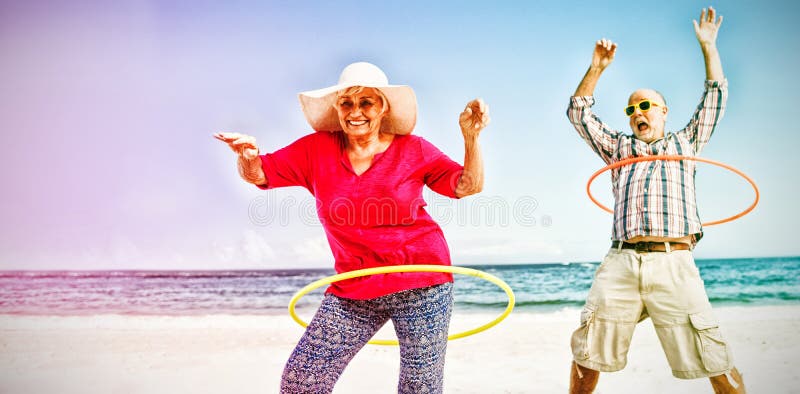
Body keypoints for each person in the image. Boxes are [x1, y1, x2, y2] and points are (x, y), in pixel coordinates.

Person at [215, 61, 489, 393]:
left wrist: (471, 138)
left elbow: (467, 186)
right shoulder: (315, 149)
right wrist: (246, 156)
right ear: (337, 108)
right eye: (346, 102)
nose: (355, 111)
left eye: (366, 102)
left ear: (383, 107)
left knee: (420, 387)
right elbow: (261, 173)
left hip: (421, 281)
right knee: (302, 379)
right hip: (354, 287)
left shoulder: (413, 149)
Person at [565, 7, 745, 393]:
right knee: (587, 353)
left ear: (663, 111)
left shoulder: (685, 142)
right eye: (631, 109)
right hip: (622, 260)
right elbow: (578, 114)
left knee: (713, 355)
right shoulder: (618, 147)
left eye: (645, 106)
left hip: (674, 260)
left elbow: (715, 97)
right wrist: (596, 67)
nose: (637, 113)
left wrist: (709, 48)